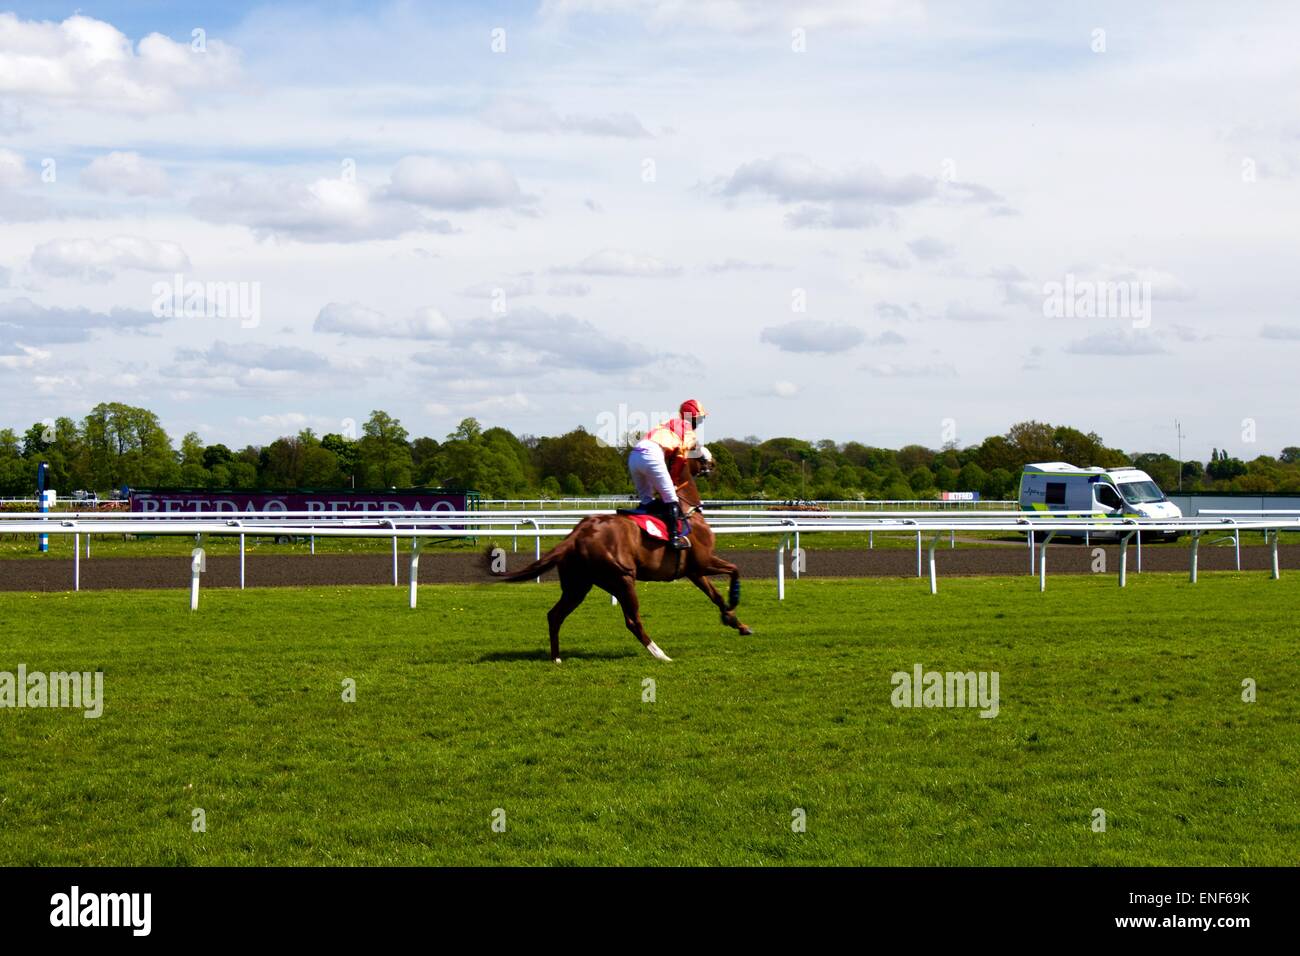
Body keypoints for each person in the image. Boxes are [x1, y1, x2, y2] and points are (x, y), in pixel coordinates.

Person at [627, 399, 708, 549]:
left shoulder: (668, 423)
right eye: (700, 419)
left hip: (634, 455)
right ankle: (674, 538)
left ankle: (641, 536)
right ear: (694, 417)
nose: (699, 423)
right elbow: (680, 457)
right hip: (651, 455)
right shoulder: (688, 430)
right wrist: (673, 481)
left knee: (646, 501)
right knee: (671, 499)